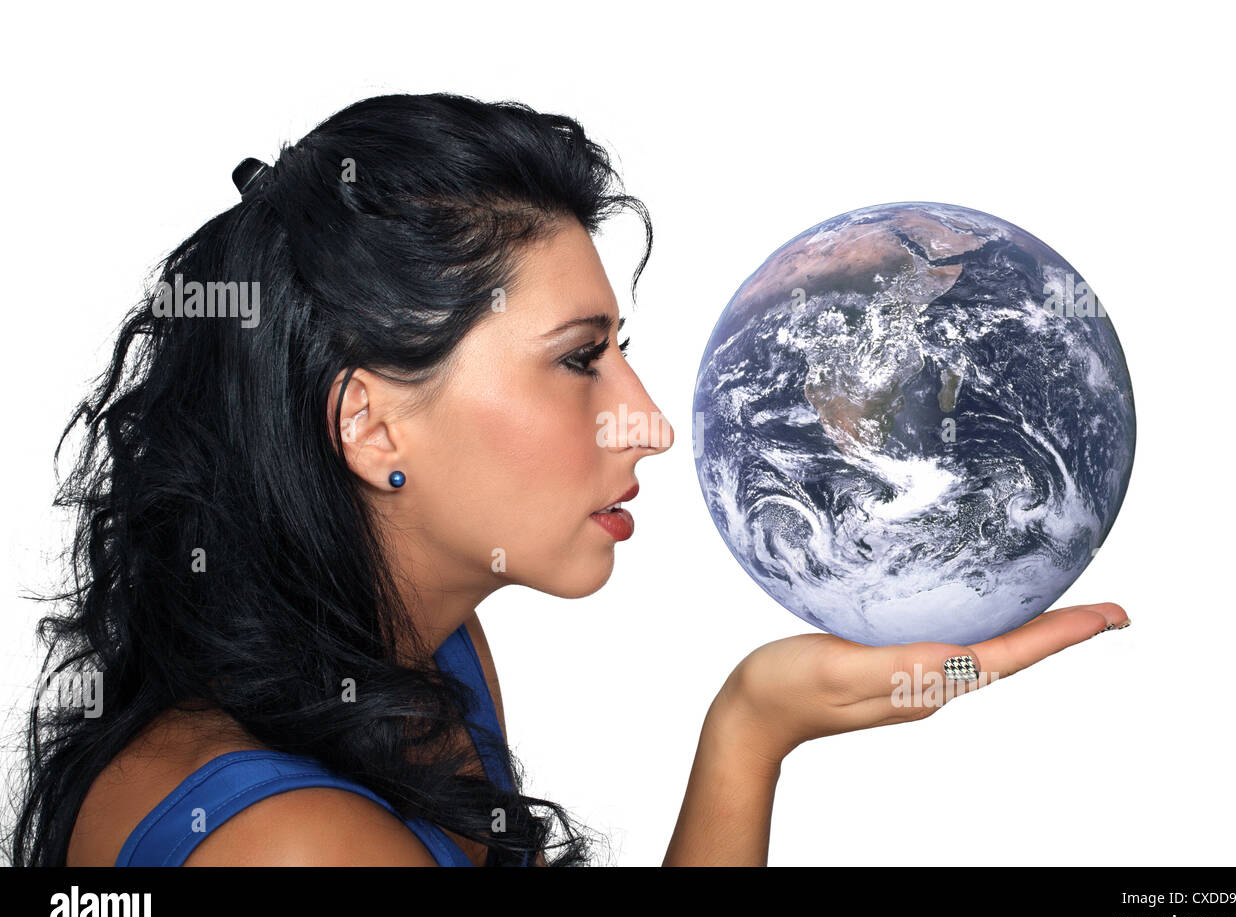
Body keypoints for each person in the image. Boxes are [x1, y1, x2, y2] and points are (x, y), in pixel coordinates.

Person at [8, 92, 1128, 867]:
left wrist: (753, 725)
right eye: (579, 357)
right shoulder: (296, 843)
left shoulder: (419, 655)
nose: (649, 424)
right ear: (367, 419)